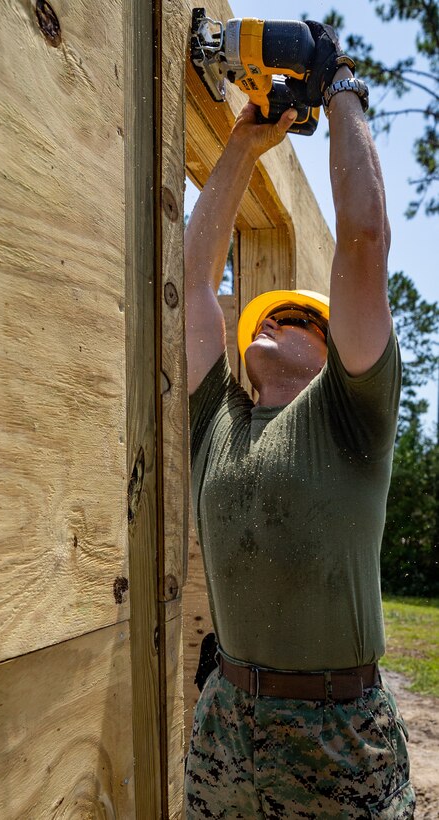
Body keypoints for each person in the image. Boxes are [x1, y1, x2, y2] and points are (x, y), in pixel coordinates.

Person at [184, 20, 415, 820]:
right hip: (223, 727)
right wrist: (244, 146)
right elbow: (192, 278)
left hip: (338, 740)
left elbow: (362, 241)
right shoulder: (215, 421)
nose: (277, 318)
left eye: (302, 319)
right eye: (268, 315)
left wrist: (340, 86)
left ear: (333, 354)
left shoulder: (350, 416)